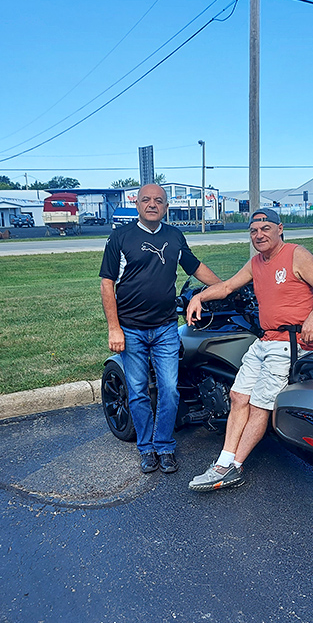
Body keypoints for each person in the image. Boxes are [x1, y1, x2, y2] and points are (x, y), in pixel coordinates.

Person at [187, 208, 313, 491]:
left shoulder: (296, 254)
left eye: (265, 229)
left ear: (279, 229)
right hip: (266, 341)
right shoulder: (256, 262)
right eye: (254, 231)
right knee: (237, 396)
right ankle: (224, 460)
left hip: (289, 344)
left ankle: (234, 467)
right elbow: (229, 286)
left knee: (259, 405)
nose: (259, 235)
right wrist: (200, 296)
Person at [100, 183, 220, 474]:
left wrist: (223, 287)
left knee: (169, 389)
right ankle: (146, 448)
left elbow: (195, 267)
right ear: (137, 204)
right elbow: (107, 283)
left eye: (158, 201)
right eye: (146, 200)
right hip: (131, 329)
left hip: (166, 327)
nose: (152, 204)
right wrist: (114, 328)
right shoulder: (120, 237)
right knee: (138, 391)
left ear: (166, 207)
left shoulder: (174, 236)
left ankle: (164, 445)